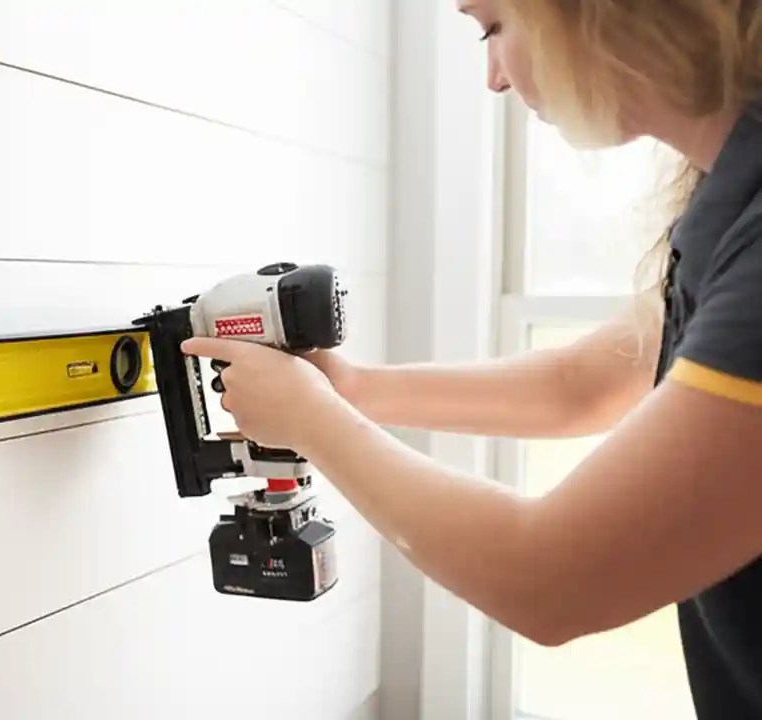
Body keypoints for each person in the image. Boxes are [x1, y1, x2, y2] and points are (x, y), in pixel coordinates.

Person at [181, 1, 762, 717]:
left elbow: (551, 580)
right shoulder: (727, 201)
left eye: (495, 27)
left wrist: (313, 422)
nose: (494, 77)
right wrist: (352, 390)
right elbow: (582, 386)